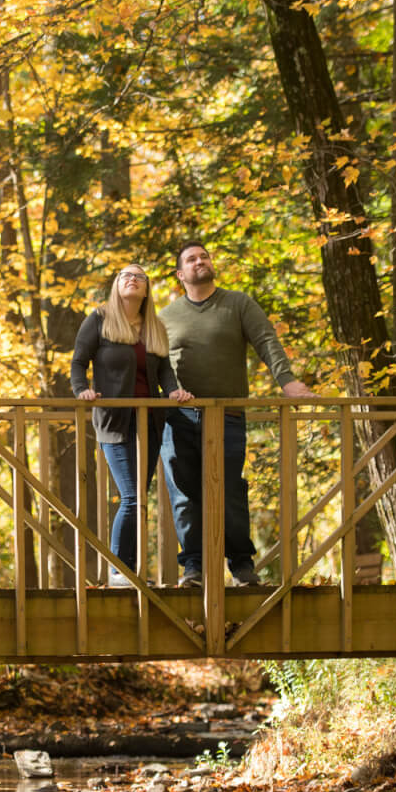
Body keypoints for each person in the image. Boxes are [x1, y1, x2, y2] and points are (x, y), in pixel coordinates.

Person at [159, 241, 313, 588]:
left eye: (204, 256)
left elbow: (267, 340)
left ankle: (241, 566)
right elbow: (153, 364)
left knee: (229, 490)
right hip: (179, 418)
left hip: (227, 414)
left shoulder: (238, 303)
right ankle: (194, 567)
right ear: (180, 274)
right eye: (191, 259)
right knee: (184, 493)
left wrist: (286, 381)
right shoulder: (166, 316)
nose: (200, 261)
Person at [71, 265, 194, 586]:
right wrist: (81, 390)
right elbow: (78, 361)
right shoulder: (98, 319)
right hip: (114, 420)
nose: (133, 279)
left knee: (139, 496)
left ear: (146, 289)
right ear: (116, 285)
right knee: (131, 496)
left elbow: (165, 371)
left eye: (139, 277)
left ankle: (131, 570)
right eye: (126, 275)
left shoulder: (154, 327)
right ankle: (117, 571)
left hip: (150, 422)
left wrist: (174, 392)